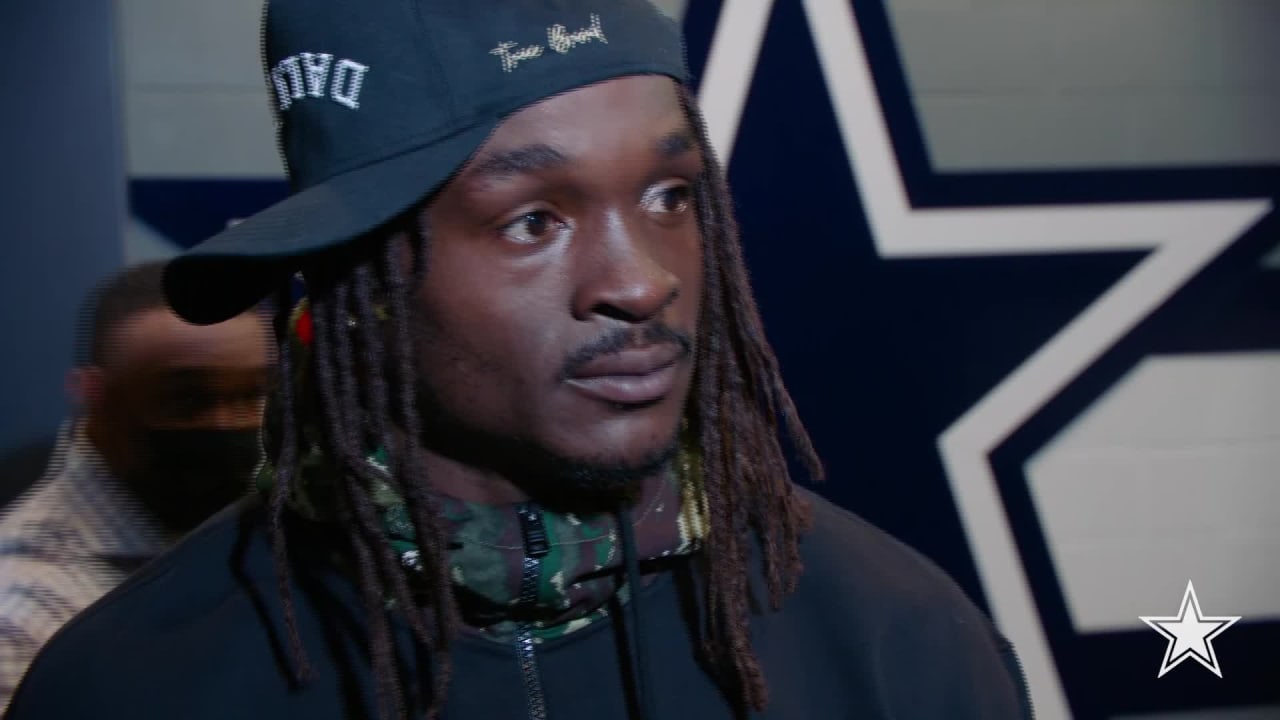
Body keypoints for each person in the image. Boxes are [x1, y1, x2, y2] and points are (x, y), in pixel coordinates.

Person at [5, 2, 1034, 719]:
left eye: (669, 196)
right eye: (532, 219)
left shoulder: (901, 640)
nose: (638, 283)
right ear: (358, 280)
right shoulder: (133, 686)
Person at [0, 261, 270, 711]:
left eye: (252, 395)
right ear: (95, 394)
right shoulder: (22, 615)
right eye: (187, 399)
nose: (226, 423)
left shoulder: (275, 525)